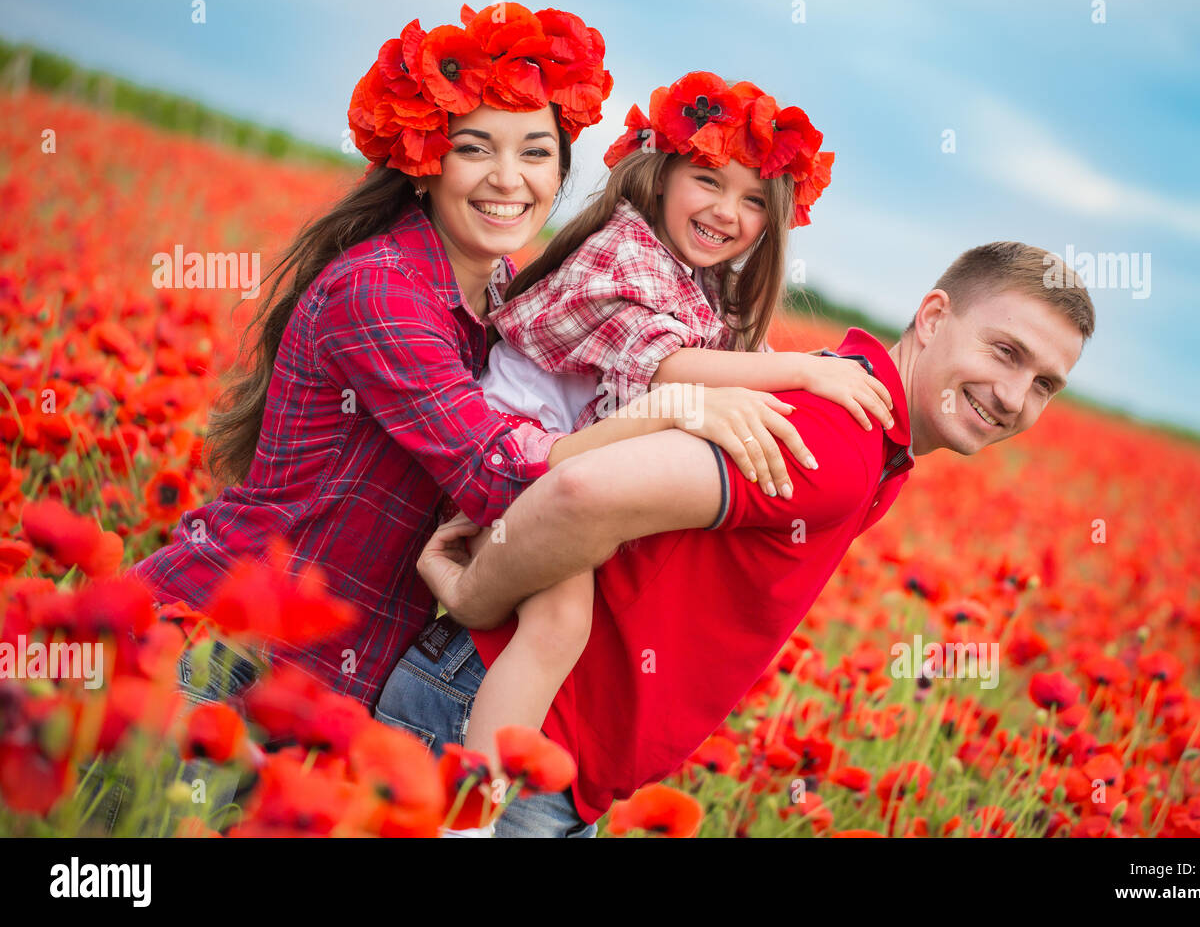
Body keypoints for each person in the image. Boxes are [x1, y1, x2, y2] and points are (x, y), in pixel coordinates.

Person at [110, 4, 807, 832]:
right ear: (424, 160)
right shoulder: (381, 290)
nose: (509, 179)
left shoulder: (506, 290)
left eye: (536, 152)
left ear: (561, 171)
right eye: (475, 148)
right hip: (211, 656)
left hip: (330, 687)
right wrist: (680, 404)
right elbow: (504, 479)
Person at [387, 241, 1097, 837]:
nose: (1013, 396)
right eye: (1005, 352)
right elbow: (583, 491)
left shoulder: (871, 434)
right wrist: (476, 595)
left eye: (1044, 384)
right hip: (501, 729)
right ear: (935, 316)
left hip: (543, 751)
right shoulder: (840, 440)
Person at [457, 70, 896, 789]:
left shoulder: (699, 282)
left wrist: (797, 368)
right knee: (560, 625)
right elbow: (663, 366)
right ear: (660, 177)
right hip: (515, 445)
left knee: (563, 615)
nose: (728, 212)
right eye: (709, 180)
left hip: (570, 458)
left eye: (755, 200)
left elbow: (719, 362)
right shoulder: (625, 248)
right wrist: (807, 374)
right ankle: (468, 811)